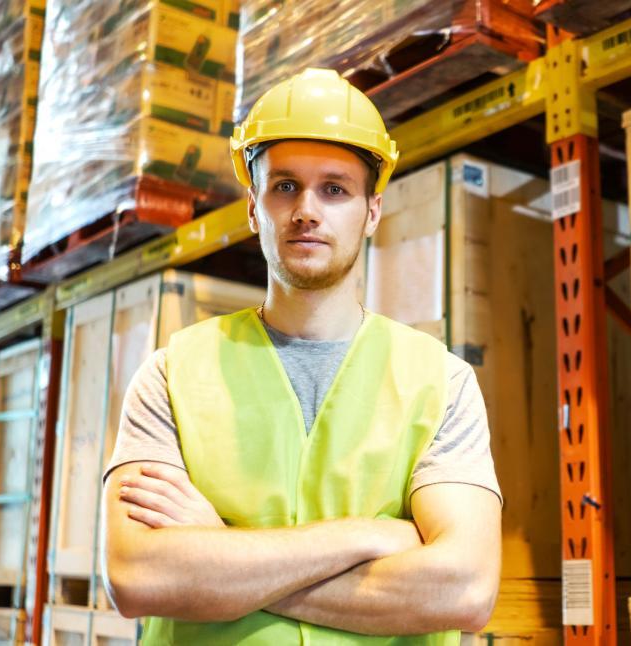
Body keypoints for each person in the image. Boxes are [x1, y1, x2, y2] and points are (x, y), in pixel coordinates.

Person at [101, 68, 503, 645]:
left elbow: (464, 589)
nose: (307, 210)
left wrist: (220, 555)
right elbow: (138, 577)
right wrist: (368, 536)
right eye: (284, 186)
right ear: (252, 207)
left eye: (335, 189)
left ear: (371, 212)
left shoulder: (441, 382)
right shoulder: (171, 374)